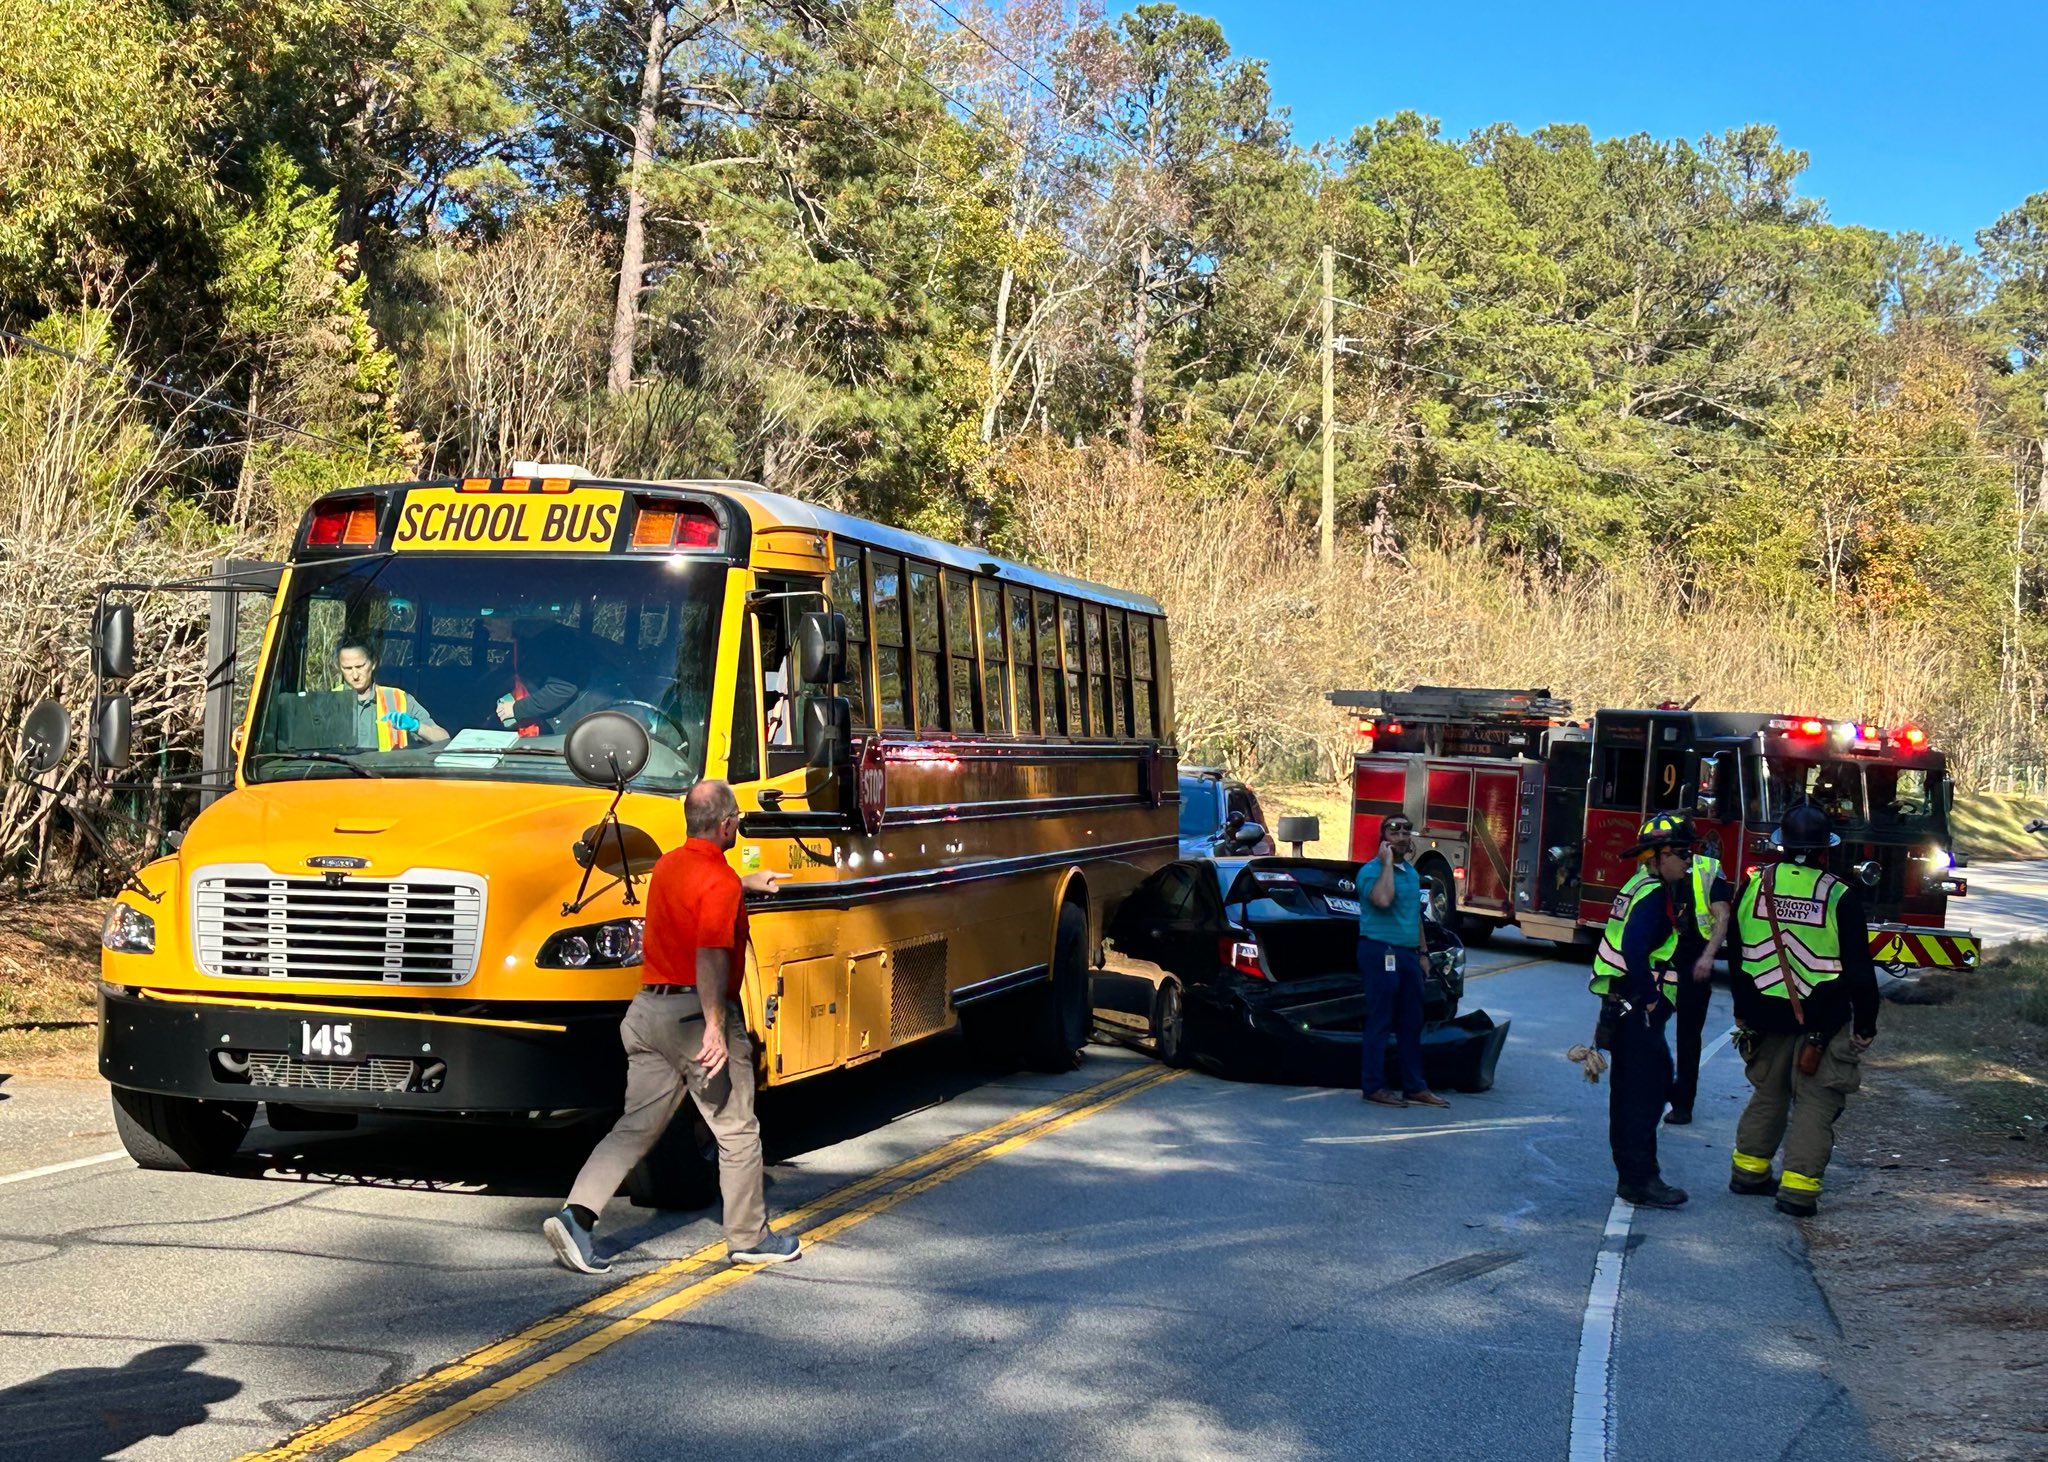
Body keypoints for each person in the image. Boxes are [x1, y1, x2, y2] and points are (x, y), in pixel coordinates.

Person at [543, 780, 796, 1274]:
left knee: (635, 1126)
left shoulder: (668, 865)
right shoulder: (719, 882)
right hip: (692, 1016)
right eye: (737, 818)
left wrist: (746, 883)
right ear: (724, 824)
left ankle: (576, 1216)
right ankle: (749, 1236)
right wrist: (715, 1028)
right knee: (736, 1128)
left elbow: (694, 895)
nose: (739, 823)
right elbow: (709, 956)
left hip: (646, 1014)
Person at [1728, 802, 1879, 1217]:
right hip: (1824, 1022)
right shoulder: (1838, 895)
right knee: (1816, 1102)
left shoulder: (1755, 885)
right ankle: (1797, 1192)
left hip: (1763, 1014)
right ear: (1823, 850)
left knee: (1768, 1093)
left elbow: (1737, 954)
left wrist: (1744, 1010)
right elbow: (1861, 972)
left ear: (1781, 844)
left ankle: (1749, 1172)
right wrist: (1865, 1025)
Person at [1587, 812, 1698, 1208]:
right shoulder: (1652, 893)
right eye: (1683, 853)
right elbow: (1634, 947)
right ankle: (1640, 1181)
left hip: (1623, 1006)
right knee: (1643, 1096)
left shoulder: (1640, 884)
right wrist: (1649, 996)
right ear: (1658, 856)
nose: (1689, 861)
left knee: (1638, 1091)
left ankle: (1634, 1177)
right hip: (1635, 1010)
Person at [1356, 814, 1449, 1110]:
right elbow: (1382, 900)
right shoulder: (1371, 871)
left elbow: (1414, 916)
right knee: (1381, 1019)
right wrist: (1385, 864)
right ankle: (1373, 1086)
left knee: (1411, 1022)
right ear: (1383, 836)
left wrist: (1423, 953)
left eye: (1406, 830)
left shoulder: (1410, 873)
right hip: (1380, 950)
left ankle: (1415, 1087)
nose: (1401, 835)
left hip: (1408, 954)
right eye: (1394, 830)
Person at [1665, 836, 1734, 1126]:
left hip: (1694, 963)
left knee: (1688, 1038)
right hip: (1662, 962)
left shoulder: (1708, 869)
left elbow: (1723, 915)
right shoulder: (1652, 869)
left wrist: (1708, 956)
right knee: (1648, 1033)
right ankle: (1656, 1090)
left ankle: (1683, 1105)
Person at [336, 641, 448, 749]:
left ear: (373, 663)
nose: (355, 675)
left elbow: (443, 739)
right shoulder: (325, 703)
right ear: (339, 667)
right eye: (347, 668)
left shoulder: (399, 699)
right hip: (338, 769)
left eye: (360, 666)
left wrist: (417, 726)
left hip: (389, 768)